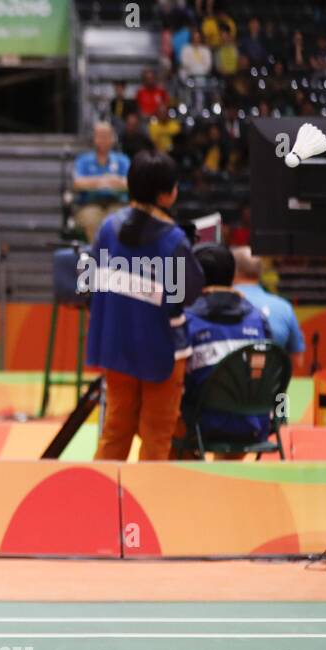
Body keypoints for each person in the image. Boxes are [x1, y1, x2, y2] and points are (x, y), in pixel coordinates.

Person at [86, 150, 204, 461]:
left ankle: (101, 501)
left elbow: (88, 282)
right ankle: (148, 507)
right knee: (156, 435)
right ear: (167, 194)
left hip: (116, 347)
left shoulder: (107, 229)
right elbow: (184, 296)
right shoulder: (174, 241)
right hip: (162, 352)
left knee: (116, 430)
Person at [180, 243, 273, 447]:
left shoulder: (186, 320)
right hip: (255, 425)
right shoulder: (259, 319)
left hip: (200, 426)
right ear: (232, 276)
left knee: (156, 414)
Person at [231, 245, 306, 375]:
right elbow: (298, 361)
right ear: (260, 271)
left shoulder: (215, 306)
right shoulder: (284, 307)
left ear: (232, 270)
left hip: (225, 391)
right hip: (270, 392)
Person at [73, 122, 130, 242]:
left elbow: (129, 183)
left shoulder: (123, 160)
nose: (103, 139)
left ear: (113, 138)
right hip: (90, 204)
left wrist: (94, 183)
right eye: (100, 135)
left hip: (117, 203)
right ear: (94, 138)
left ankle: (115, 258)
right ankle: (98, 257)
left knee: (116, 221)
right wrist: (108, 180)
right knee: (91, 220)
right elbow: (78, 183)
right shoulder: (83, 160)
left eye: (107, 135)